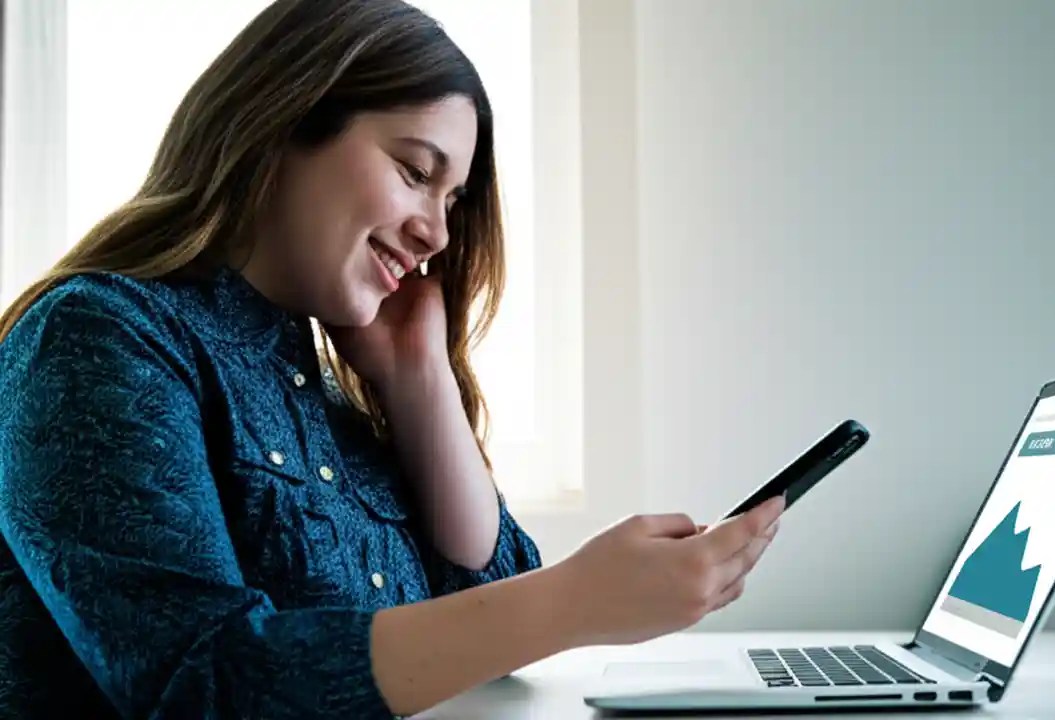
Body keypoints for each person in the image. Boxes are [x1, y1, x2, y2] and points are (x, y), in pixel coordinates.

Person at [0, 1, 784, 717]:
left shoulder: (327, 382)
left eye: (452, 202)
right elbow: (203, 684)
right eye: (416, 173)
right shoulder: (97, 338)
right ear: (285, 120)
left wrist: (421, 385)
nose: (438, 235)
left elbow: (491, 604)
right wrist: (575, 601)